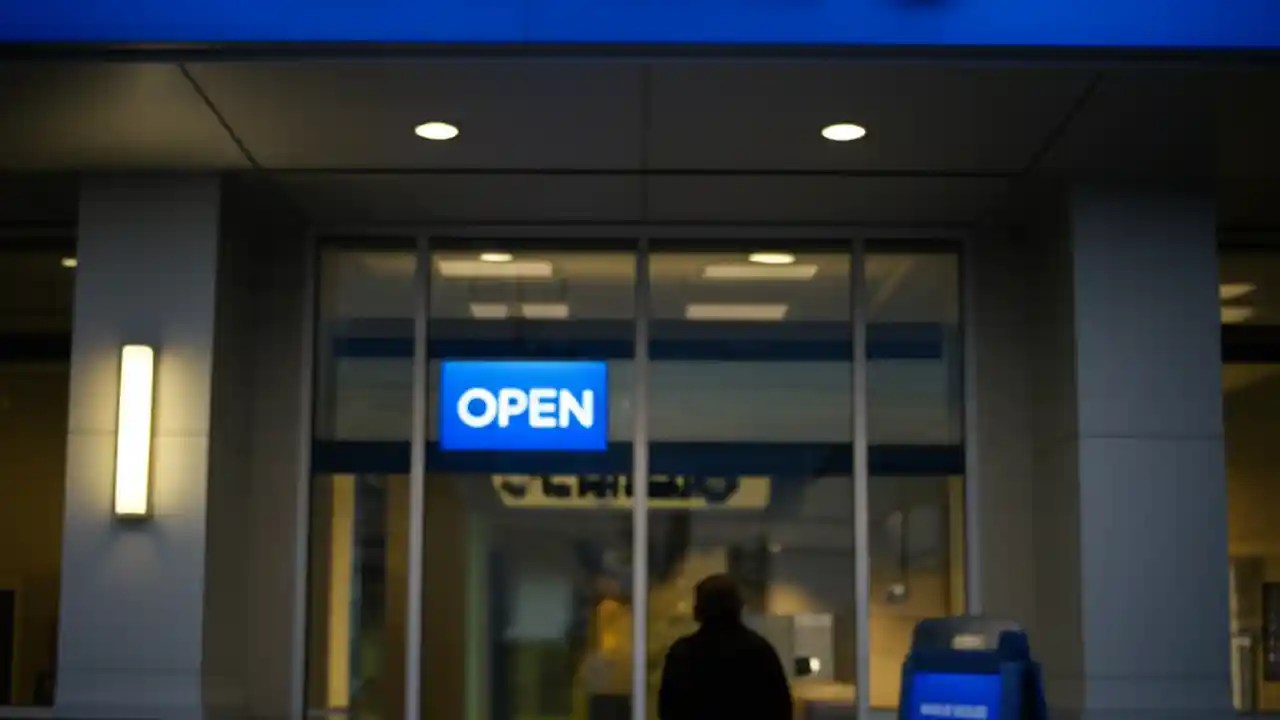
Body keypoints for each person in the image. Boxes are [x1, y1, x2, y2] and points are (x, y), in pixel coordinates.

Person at [657, 574, 793, 720]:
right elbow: (781, 708)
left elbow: (669, 710)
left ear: (698, 609)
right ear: (738, 606)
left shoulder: (684, 654)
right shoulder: (761, 652)